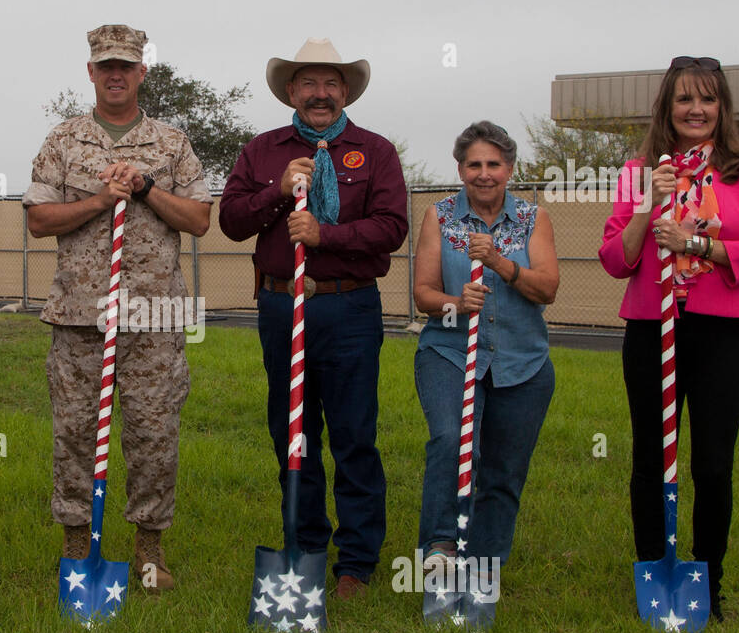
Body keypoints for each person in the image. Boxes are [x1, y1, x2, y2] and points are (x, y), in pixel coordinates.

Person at [23, 24, 213, 591]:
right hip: (81, 314)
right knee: (76, 431)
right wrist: (104, 198)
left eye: (125, 66)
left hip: (153, 317)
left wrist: (147, 188)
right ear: (90, 72)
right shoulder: (64, 140)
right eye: (105, 65)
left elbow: (200, 219)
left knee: (154, 433)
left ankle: (149, 553)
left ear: (141, 73)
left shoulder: (172, 143)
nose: (115, 75)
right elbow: (37, 220)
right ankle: (77, 547)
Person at [219, 38, 407, 599]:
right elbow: (229, 221)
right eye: (308, 84)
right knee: (293, 432)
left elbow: (391, 227)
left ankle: (356, 562)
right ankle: (303, 547)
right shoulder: (261, 151)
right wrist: (276, 194)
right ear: (291, 92)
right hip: (282, 305)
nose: (319, 94)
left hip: (349, 305)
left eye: (330, 84)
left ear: (345, 92)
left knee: (354, 435)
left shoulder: (375, 151)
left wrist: (328, 235)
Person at [600, 56, 739, 622]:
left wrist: (696, 244)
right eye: (684, 99)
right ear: (668, 107)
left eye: (707, 98)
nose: (696, 109)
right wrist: (647, 208)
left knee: (713, 461)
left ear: (722, 105)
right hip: (653, 325)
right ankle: (654, 569)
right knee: (651, 457)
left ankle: (710, 577)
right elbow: (614, 259)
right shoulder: (639, 172)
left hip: (725, 327)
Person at [412, 121, 558, 580]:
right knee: (452, 441)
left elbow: (547, 289)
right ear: (460, 169)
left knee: (504, 468)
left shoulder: (534, 218)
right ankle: (440, 547)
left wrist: (499, 263)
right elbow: (423, 294)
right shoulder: (440, 216)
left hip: (523, 361)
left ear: (510, 169)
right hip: (450, 352)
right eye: (474, 164)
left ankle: (483, 566)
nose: (484, 173)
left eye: (493, 164)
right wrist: (455, 303)